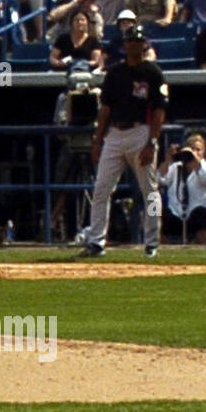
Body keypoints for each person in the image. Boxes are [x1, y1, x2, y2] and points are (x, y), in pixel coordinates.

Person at [78, 25, 168, 257]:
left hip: (141, 132)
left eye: (137, 41)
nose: (133, 45)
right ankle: (97, 241)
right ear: (125, 44)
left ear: (144, 44)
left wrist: (152, 141)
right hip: (116, 134)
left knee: (150, 190)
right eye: (130, 41)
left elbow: (159, 110)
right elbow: (105, 109)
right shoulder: (115, 73)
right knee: (101, 188)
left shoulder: (153, 72)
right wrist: (98, 140)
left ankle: (152, 241)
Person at [158, 132, 206, 243]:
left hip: (196, 213)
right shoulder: (176, 167)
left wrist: (196, 161)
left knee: (202, 214)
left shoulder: (204, 167)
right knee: (155, 209)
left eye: (198, 149)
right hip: (176, 212)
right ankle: (162, 251)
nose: (194, 152)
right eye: (191, 149)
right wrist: (168, 159)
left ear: (203, 152)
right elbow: (159, 179)